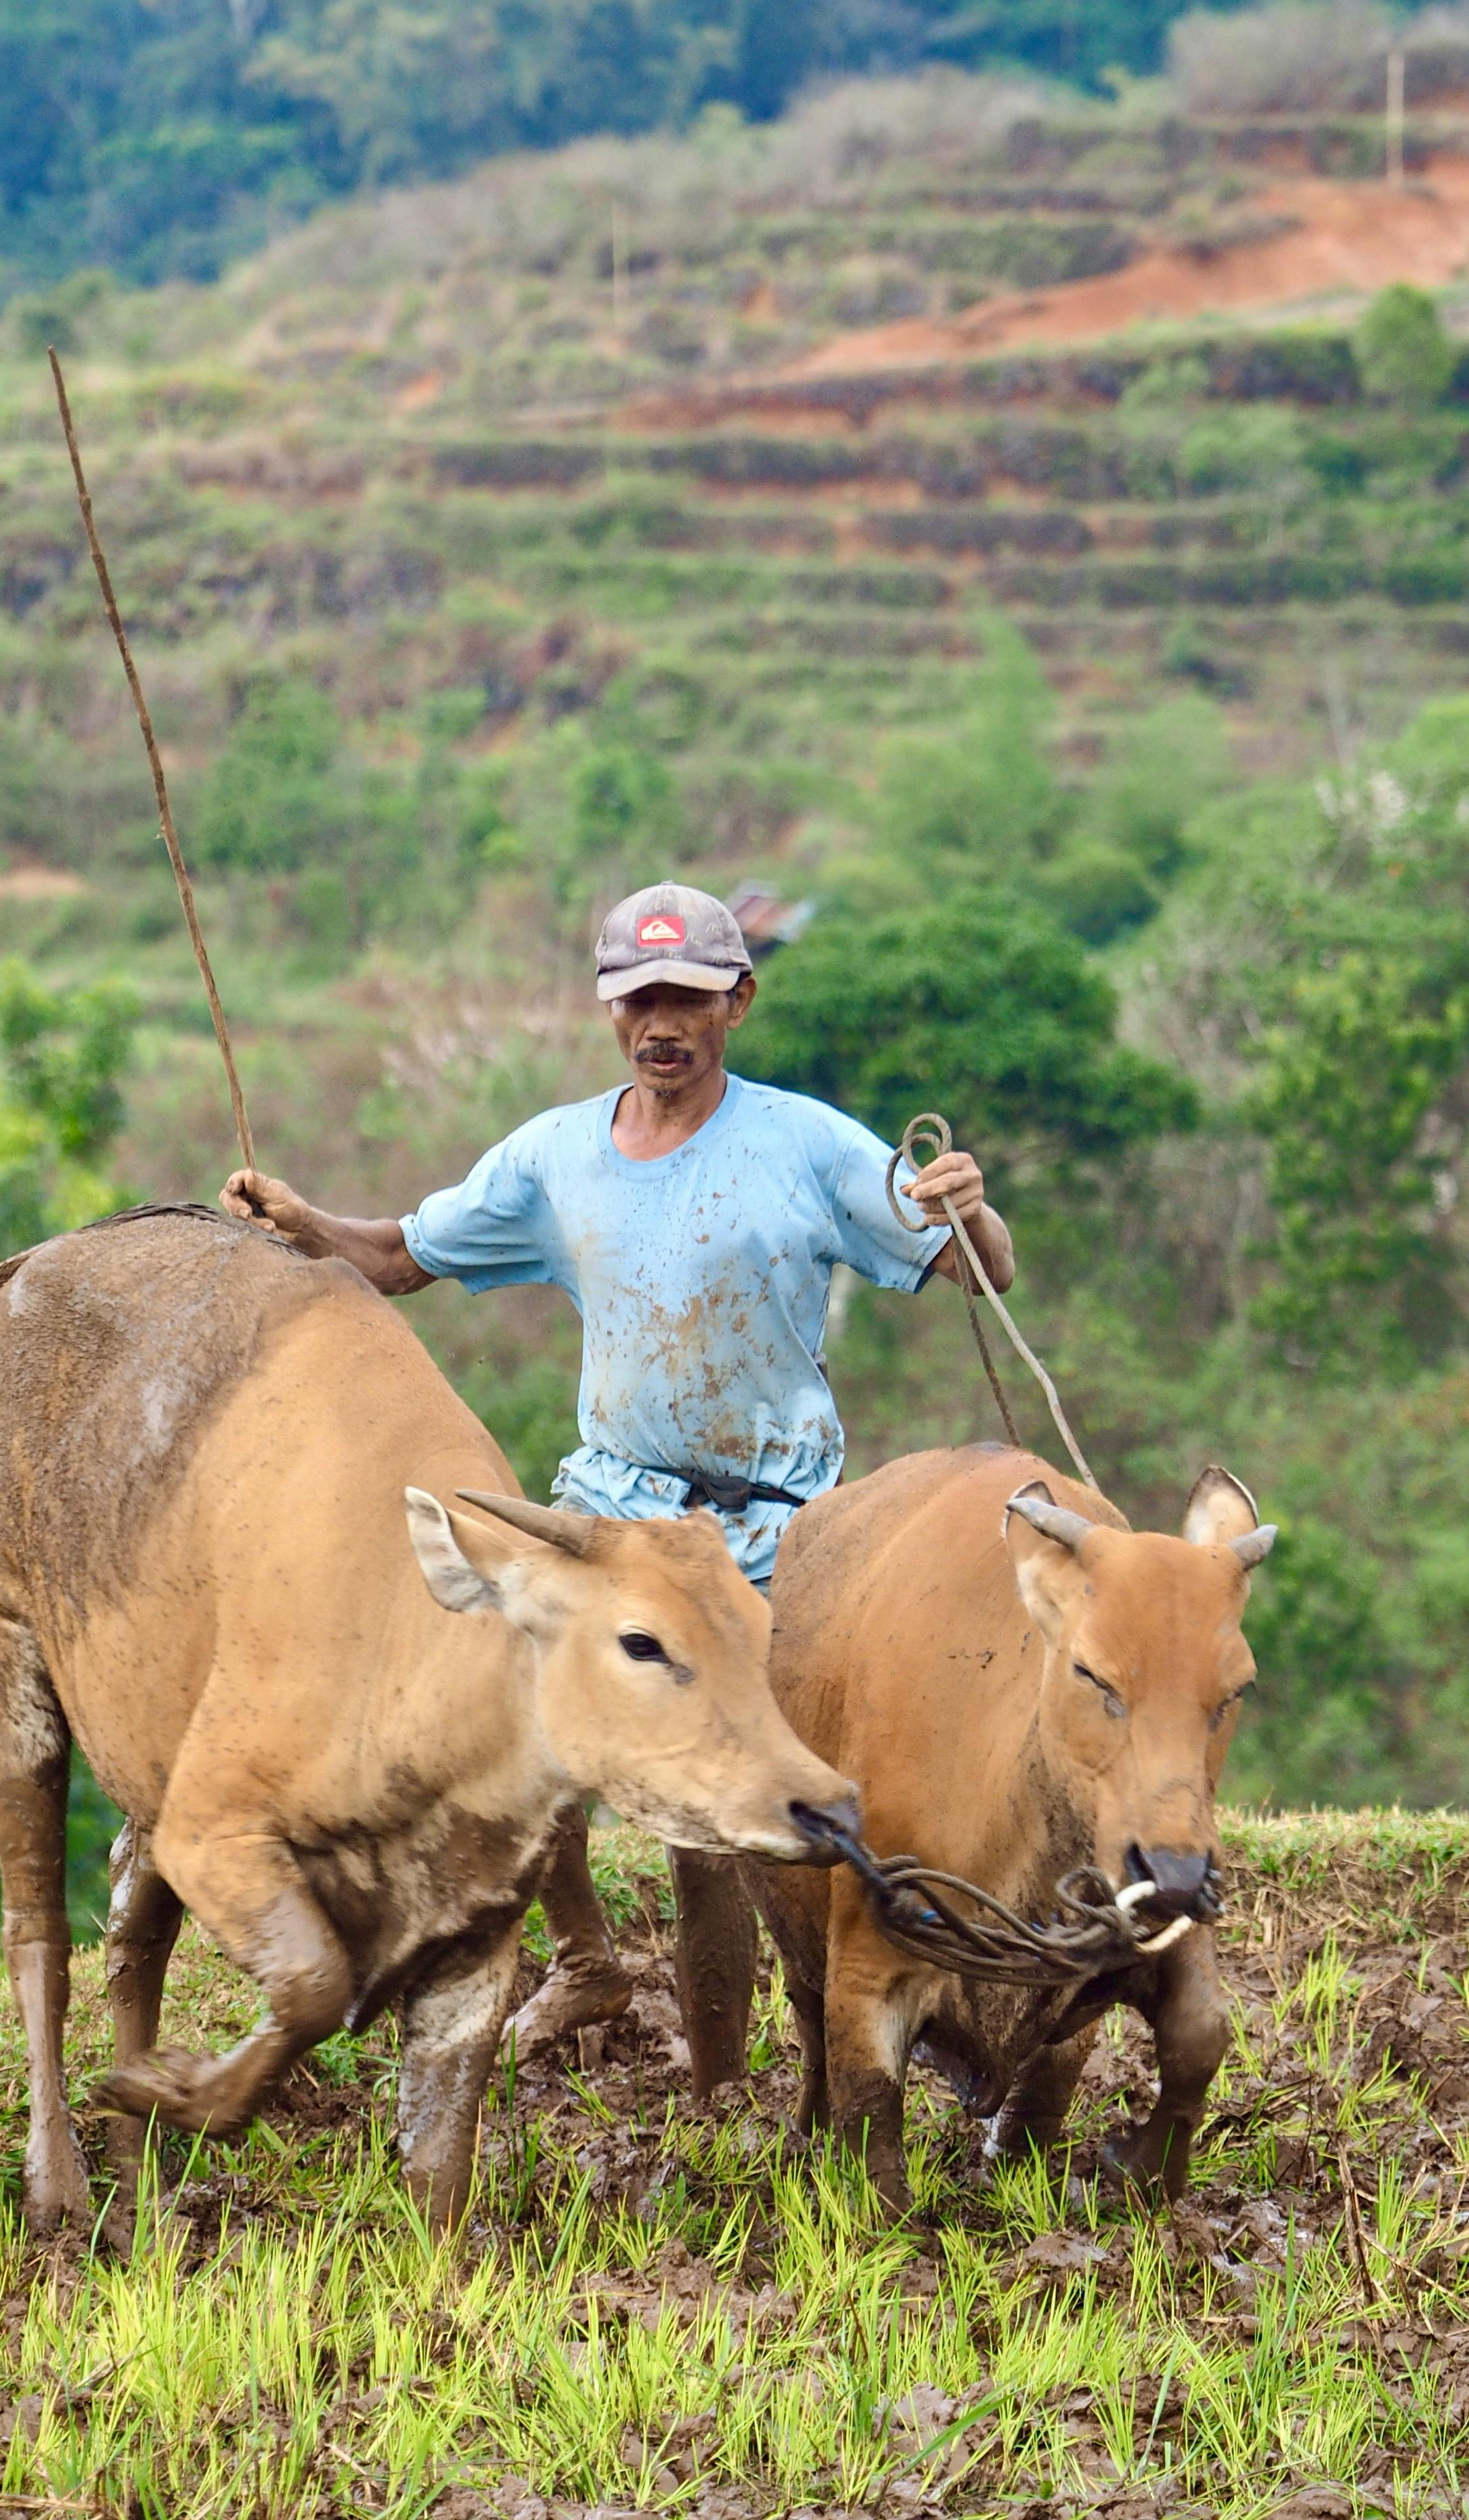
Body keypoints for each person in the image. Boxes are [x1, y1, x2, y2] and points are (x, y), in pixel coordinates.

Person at [220, 879, 1015, 2057]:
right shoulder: (556, 1157)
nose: (661, 1021)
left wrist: (971, 1210)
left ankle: (717, 2073)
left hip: (773, 1522)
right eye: (638, 997)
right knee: (505, 1703)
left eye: (687, 996)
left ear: (736, 1002)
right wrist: (303, 1222)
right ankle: (588, 1957)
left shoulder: (804, 1143)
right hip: (616, 1506)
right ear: (609, 1010)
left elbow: (977, 1268)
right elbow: (398, 1256)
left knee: (711, 1825)